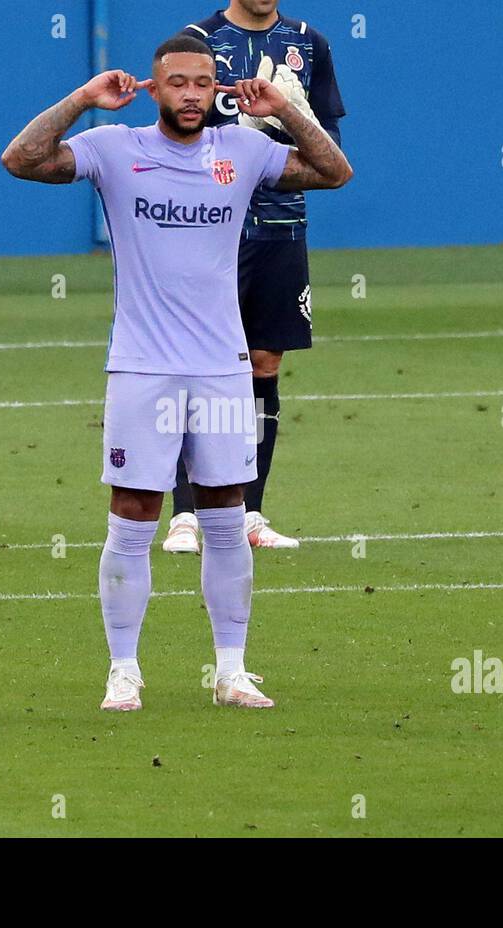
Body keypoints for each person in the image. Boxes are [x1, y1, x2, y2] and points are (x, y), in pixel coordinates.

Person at [1, 35, 351, 711]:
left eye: (202, 82)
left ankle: (231, 671)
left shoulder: (243, 152)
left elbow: (334, 172)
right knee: (133, 512)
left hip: (222, 368)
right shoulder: (115, 148)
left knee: (226, 512)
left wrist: (282, 107)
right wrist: (82, 99)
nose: (191, 93)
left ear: (216, 88)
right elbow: (20, 159)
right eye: (178, 83)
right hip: (142, 368)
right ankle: (124, 670)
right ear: (154, 89)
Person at [163, 0, 348, 553]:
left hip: (281, 231)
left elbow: (331, 154)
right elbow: (173, 135)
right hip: (207, 230)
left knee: (264, 362)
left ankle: (249, 511)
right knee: (195, 362)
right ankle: (185, 514)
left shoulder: (310, 43)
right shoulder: (196, 42)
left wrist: (289, 114)